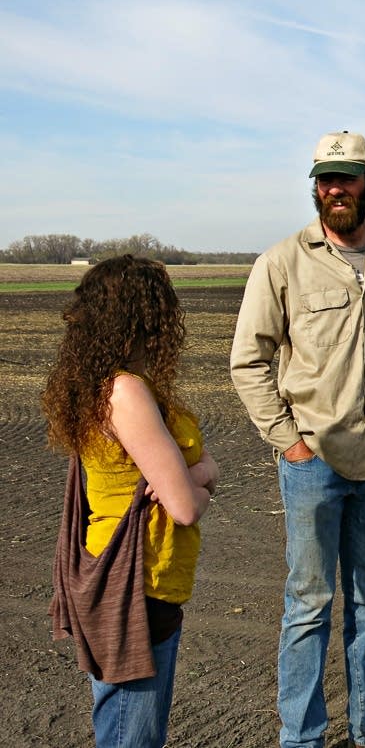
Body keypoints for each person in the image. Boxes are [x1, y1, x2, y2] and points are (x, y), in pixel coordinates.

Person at [230, 130, 365, 748]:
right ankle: (303, 738)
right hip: (313, 459)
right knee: (309, 606)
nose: (333, 189)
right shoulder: (282, 262)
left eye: (346, 178)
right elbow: (248, 361)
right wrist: (288, 441)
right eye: (324, 179)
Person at [42, 255, 218, 747]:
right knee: (131, 737)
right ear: (145, 317)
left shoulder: (98, 387)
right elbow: (184, 506)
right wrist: (204, 476)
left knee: (129, 731)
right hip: (136, 586)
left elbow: (180, 485)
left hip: (124, 581)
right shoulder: (126, 392)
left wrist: (198, 474)